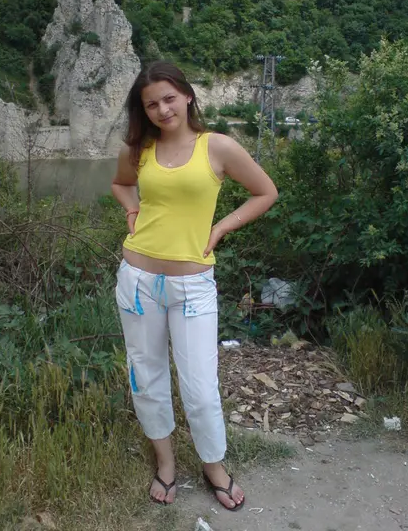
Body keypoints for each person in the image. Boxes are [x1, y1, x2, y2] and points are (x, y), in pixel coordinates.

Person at [111, 61, 278, 510]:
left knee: (201, 387)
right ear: (143, 110)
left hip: (192, 287)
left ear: (187, 95)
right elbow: (120, 184)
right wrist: (131, 210)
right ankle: (165, 463)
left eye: (169, 98)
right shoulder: (139, 148)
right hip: (137, 282)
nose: (162, 109)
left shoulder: (217, 147)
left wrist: (221, 227)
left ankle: (213, 465)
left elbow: (265, 191)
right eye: (151, 104)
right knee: (146, 377)